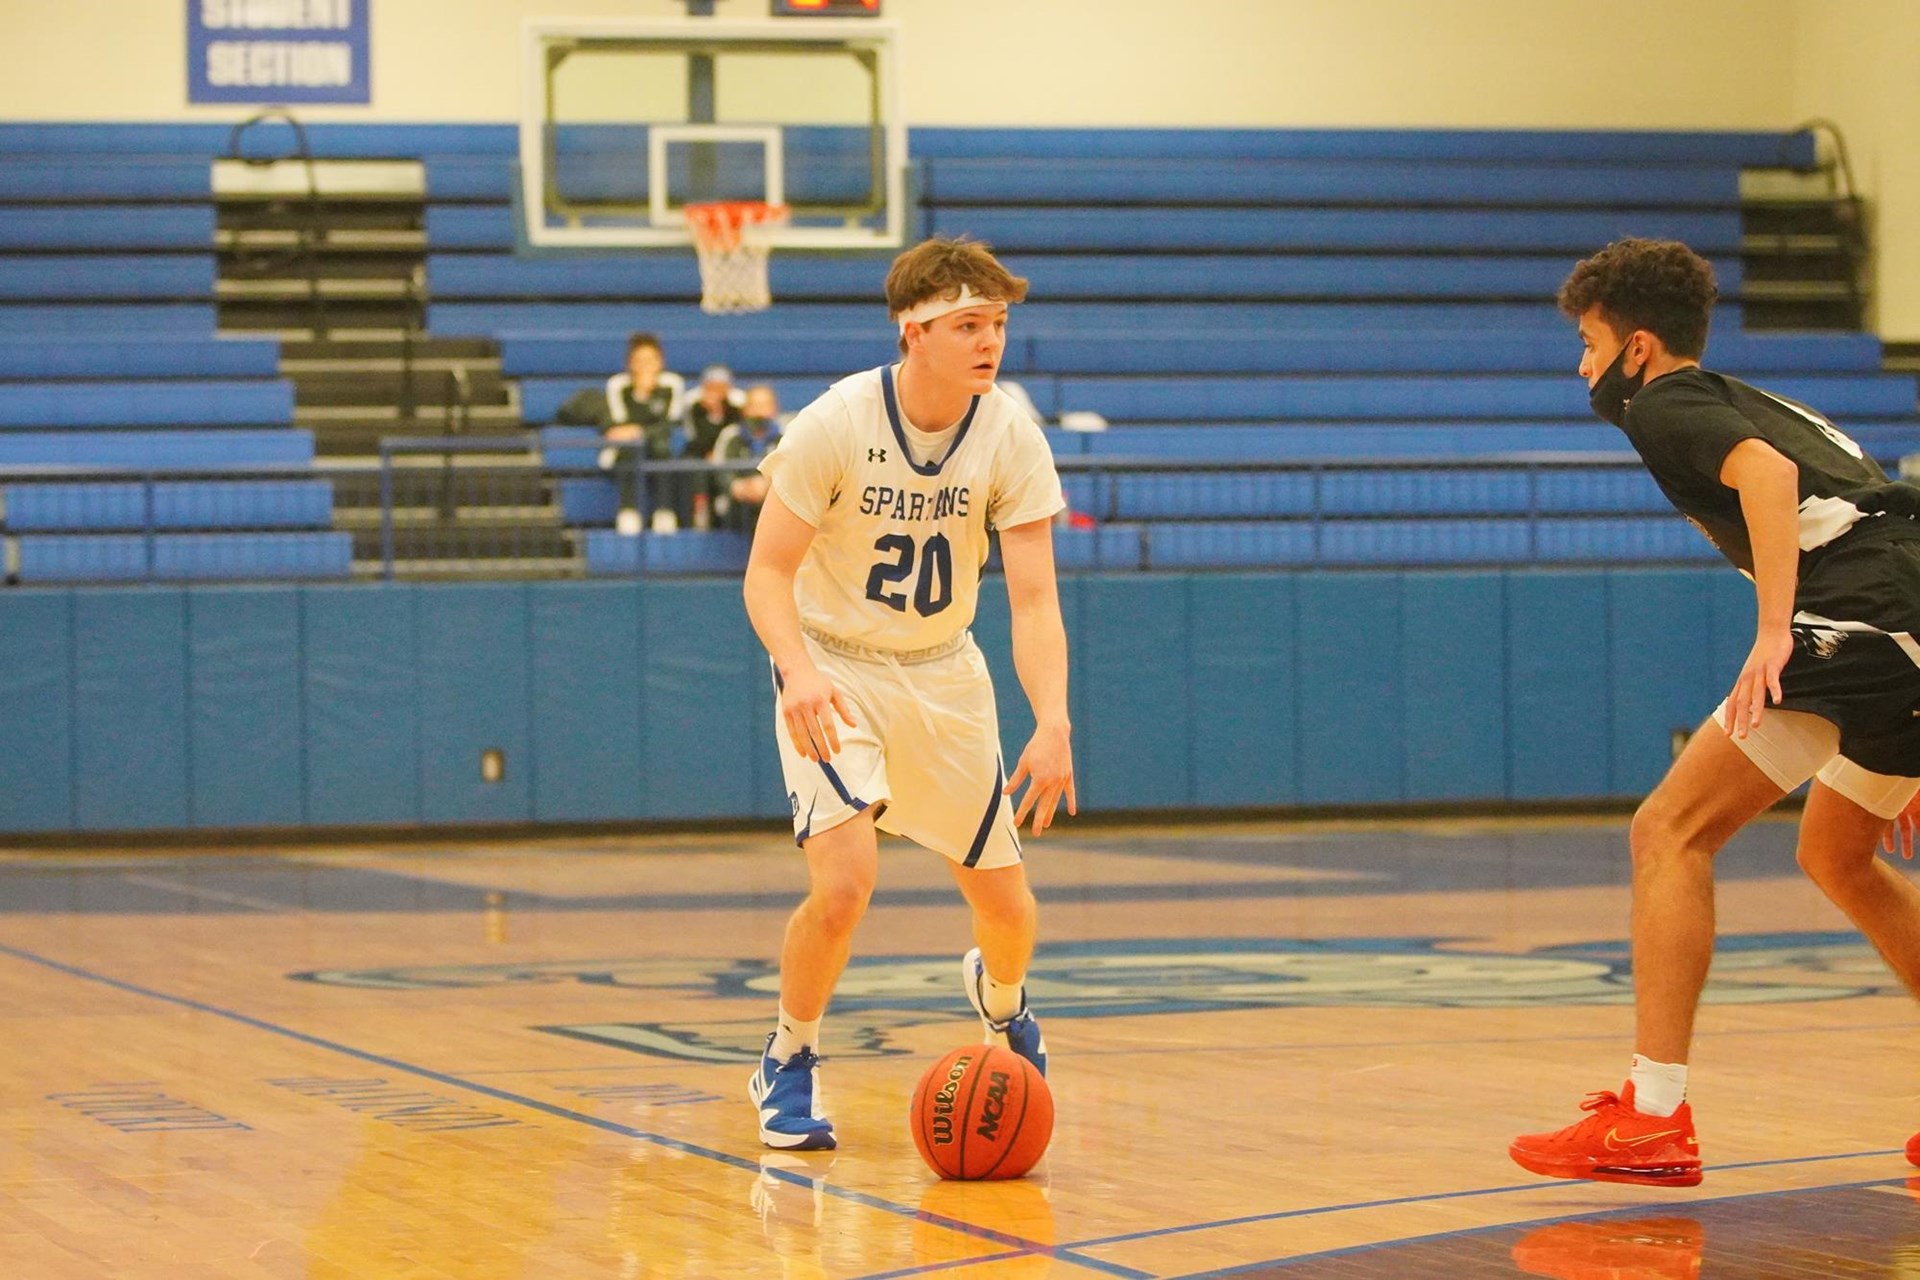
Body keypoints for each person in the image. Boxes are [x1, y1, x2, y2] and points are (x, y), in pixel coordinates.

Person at [1509, 237, 1920, 1188]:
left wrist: (1776, 631)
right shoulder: (1752, 398)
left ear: (1638, 347)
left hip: (1861, 620)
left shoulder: (1665, 403)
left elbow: (1768, 479)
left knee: (1669, 832)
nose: (1582, 368)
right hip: (1899, 623)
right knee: (1836, 853)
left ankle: (1651, 1119)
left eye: (1588, 344)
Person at [741, 236, 1075, 1151]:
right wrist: (797, 670)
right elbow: (766, 574)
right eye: (967, 324)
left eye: (997, 324)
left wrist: (1053, 719)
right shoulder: (836, 422)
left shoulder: (1010, 433)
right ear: (912, 331)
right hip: (834, 667)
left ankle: (1004, 1003)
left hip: (942, 669)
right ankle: (788, 1055)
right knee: (846, 883)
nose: (989, 341)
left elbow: (1035, 600)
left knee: (1006, 908)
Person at [595, 332, 684, 535]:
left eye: (650, 360)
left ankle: (664, 514)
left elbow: (670, 423)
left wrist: (640, 430)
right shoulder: (618, 385)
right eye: (639, 361)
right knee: (631, 449)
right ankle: (629, 514)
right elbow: (618, 425)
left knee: (661, 449)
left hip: (661, 448)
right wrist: (640, 395)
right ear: (630, 363)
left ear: (661, 362)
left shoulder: (672, 384)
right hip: (624, 452)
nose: (645, 366)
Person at [677, 364, 744, 529]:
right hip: (699, 453)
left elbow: (734, 434)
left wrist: (719, 453)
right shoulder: (694, 406)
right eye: (712, 387)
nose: (716, 393)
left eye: (721, 387)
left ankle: (725, 510)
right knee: (696, 468)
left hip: (727, 453)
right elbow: (694, 436)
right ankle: (700, 512)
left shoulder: (737, 407)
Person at [711, 383, 783, 534]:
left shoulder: (786, 435)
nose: (759, 412)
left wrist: (768, 486)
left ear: (775, 408)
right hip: (736, 503)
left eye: (764, 405)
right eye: (754, 405)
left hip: (775, 499)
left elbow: (793, 471)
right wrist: (737, 486)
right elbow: (718, 469)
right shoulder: (731, 435)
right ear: (744, 409)